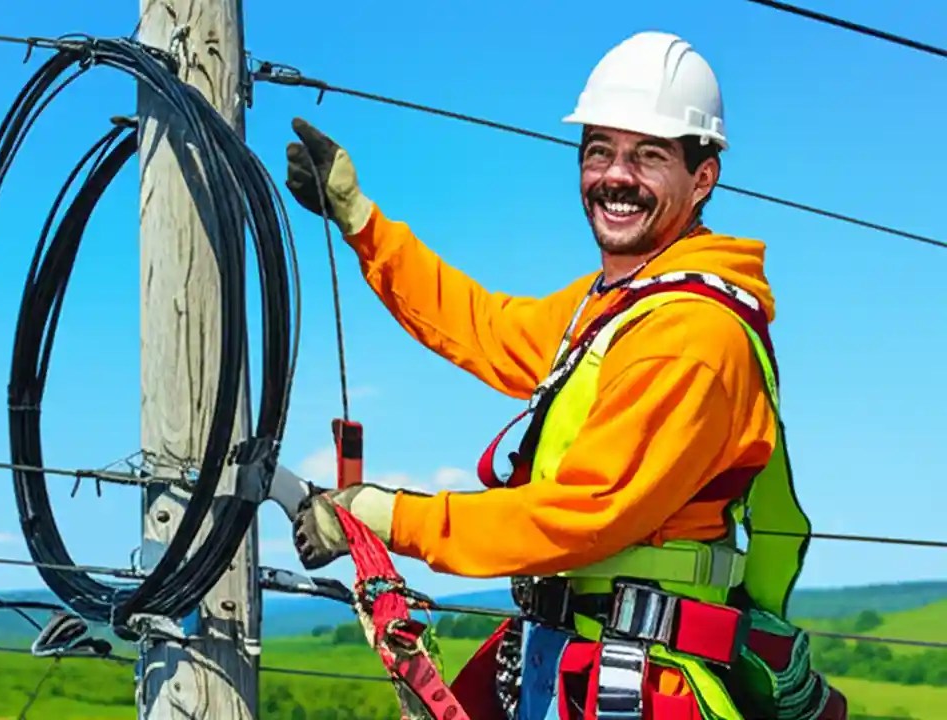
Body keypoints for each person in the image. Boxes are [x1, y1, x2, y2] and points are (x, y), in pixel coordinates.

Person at [284, 31, 846, 720]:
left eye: (649, 156)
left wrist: (389, 517)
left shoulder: (694, 335)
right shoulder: (615, 307)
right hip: (564, 654)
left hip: (634, 680)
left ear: (702, 178)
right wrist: (363, 222)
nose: (616, 176)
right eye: (600, 151)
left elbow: (584, 510)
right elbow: (485, 327)